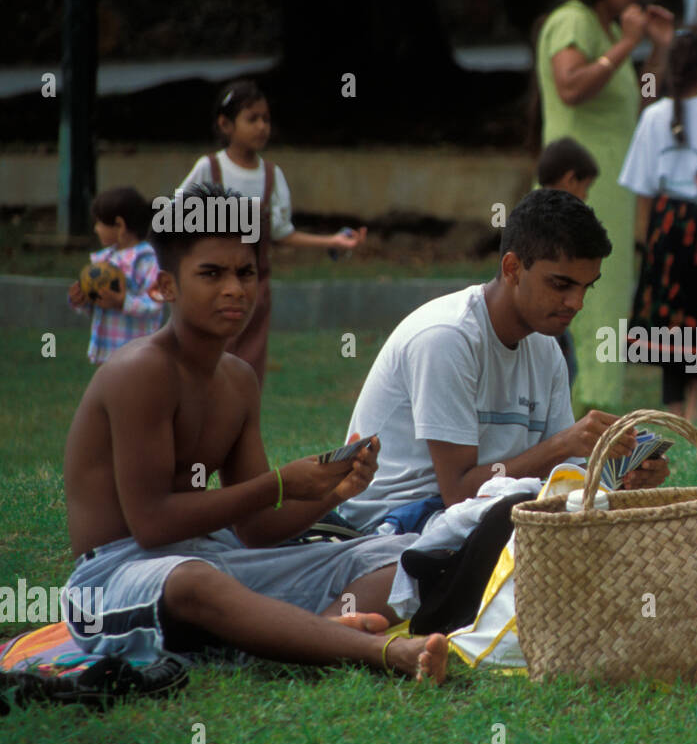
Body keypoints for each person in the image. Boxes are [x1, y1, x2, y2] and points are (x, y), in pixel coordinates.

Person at [59, 184, 447, 682]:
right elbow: (151, 524)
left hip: (214, 557)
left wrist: (335, 491)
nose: (234, 289)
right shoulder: (140, 371)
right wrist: (280, 484)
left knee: (397, 553)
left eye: (245, 273)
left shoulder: (237, 379)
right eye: (211, 274)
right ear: (165, 286)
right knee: (195, 581)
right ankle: (381, 653)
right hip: (116, 577)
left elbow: (257, 529)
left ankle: (308, 635)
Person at [338, 189, 670, 535]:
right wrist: (562, 444)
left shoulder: (546, 349)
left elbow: (561, 482)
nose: (576, 303)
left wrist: (625, 474)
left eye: (587, 288)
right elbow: (459, 493)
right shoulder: (447, 337)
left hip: (484, 517)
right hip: (395, 524)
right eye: (561, 284)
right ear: (512, 268)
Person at [536, 0, 674, 412]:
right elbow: (571, 86)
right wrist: (628, 44)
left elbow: (640, 103)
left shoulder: (612, 34)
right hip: (576, 190)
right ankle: (575, 412)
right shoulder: (571, 20)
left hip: (613, 190)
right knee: (575, 298)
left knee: (608, 300)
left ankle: (599, 412)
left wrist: (655, 51)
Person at [178, 79, 366, 385]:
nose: (262, 127)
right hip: (208, 286)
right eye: (252, 119)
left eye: (266, 119)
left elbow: (281, 232)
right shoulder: (209, 169)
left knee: (247, 368)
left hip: (254, 288)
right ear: (225, 124)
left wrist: (332, 241)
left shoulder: (270, 176)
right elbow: (176, 215)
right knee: (206, 363)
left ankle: (241, 426)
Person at [618, 25, 697, 422]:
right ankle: (690, 410)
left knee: (668, 322)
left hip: (665, 226)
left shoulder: (653, 116)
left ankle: (674, 409)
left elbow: (641, 191)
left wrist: (643, 244)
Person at [67, 187, 164, 364]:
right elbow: (98, 306)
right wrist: (81, 300)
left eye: (99, 223)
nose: (96, 229)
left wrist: (123, 302)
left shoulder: (148, 262)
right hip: (106, 353)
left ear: (119, 225)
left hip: (137, 357)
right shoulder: (103, 261)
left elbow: (155, 303)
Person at [537, 137, 601, 389]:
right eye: (585, 187)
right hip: (547, 317)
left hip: (547, 318)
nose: (585, 196)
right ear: (570, 179)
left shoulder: (531, 213)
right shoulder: (556, 219)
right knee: (561, 370)